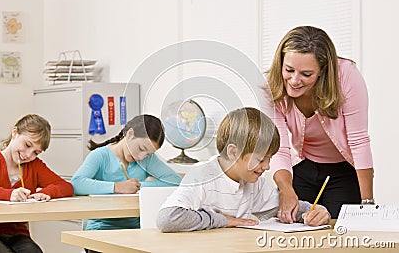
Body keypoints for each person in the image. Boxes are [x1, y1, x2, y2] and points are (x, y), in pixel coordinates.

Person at [157, 107, 330, 232]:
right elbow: (167, 219)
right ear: (232, 152)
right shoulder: (203, 176)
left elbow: (285, 209)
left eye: (270, 159)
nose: (267, 166)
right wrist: (223, 220)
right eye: (261, 159)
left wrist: (316, 213)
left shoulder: (254, 183)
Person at [266, 25, 374, 221]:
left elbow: (359, 142)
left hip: (343, 171)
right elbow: (279, 149)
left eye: (306, 74)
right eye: (289, 70)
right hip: (303, 166)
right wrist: (286, 190)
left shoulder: (347, 76)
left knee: (334, 227)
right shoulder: (272, 89)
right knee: (293, 224)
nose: (294, 80)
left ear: (322, 70)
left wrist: (367, 205)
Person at [71, 114, 181, 233]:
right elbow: (76, 184)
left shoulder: (146, 159)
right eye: (141, 148)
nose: (141, 157)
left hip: (136, 230)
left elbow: (175, 181)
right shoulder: (100, 156)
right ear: (130, 134)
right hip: (101, 229)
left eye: (148, 154)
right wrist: (117, 187)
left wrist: (139, 187)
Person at [0, 114, 74, 253]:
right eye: (27, 145)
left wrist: (45, 193)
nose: (28, 155)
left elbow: (66, 187)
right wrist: (9, 194)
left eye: (36, 152)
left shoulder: (34, 166)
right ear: (14, 132)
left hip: (17, 234)